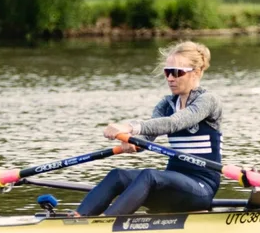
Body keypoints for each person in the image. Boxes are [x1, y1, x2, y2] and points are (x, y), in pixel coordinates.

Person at [74, 41, 223, 216]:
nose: (170, 78)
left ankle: (108, 222)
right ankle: (78, 218)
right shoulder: (166, 104)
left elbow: (174, 123)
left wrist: (129, 127)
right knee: (118, 176)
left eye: (176, 72)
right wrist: (134, 144)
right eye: (167, 72)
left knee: (149, 176)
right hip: (174, 184)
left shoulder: (208, 101)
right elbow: (148, 137)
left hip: (201, 187)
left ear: (196, 73)